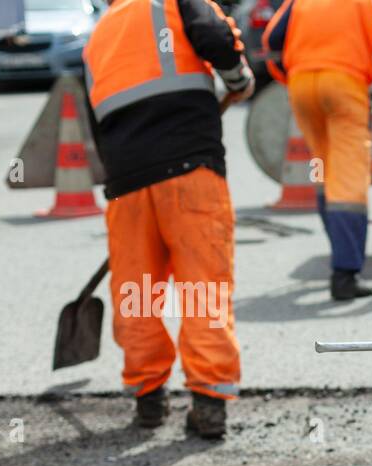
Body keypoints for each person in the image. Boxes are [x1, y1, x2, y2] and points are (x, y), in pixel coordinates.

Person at [83, 0, 254, 439]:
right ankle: (209, 402)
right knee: (204, 285)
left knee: (136, 289)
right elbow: (216, 37)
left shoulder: (100, 31)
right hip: (189, 168)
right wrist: (238, 78)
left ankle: (148, 398)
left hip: (126, 181)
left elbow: (94, 118)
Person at [263, 0, 372, 301]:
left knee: (324, 167)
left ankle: (340, 252)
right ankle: (344, 274)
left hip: (302, 87)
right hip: (344, 84)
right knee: (348, 177)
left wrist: (290, 75)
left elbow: (271, 40)